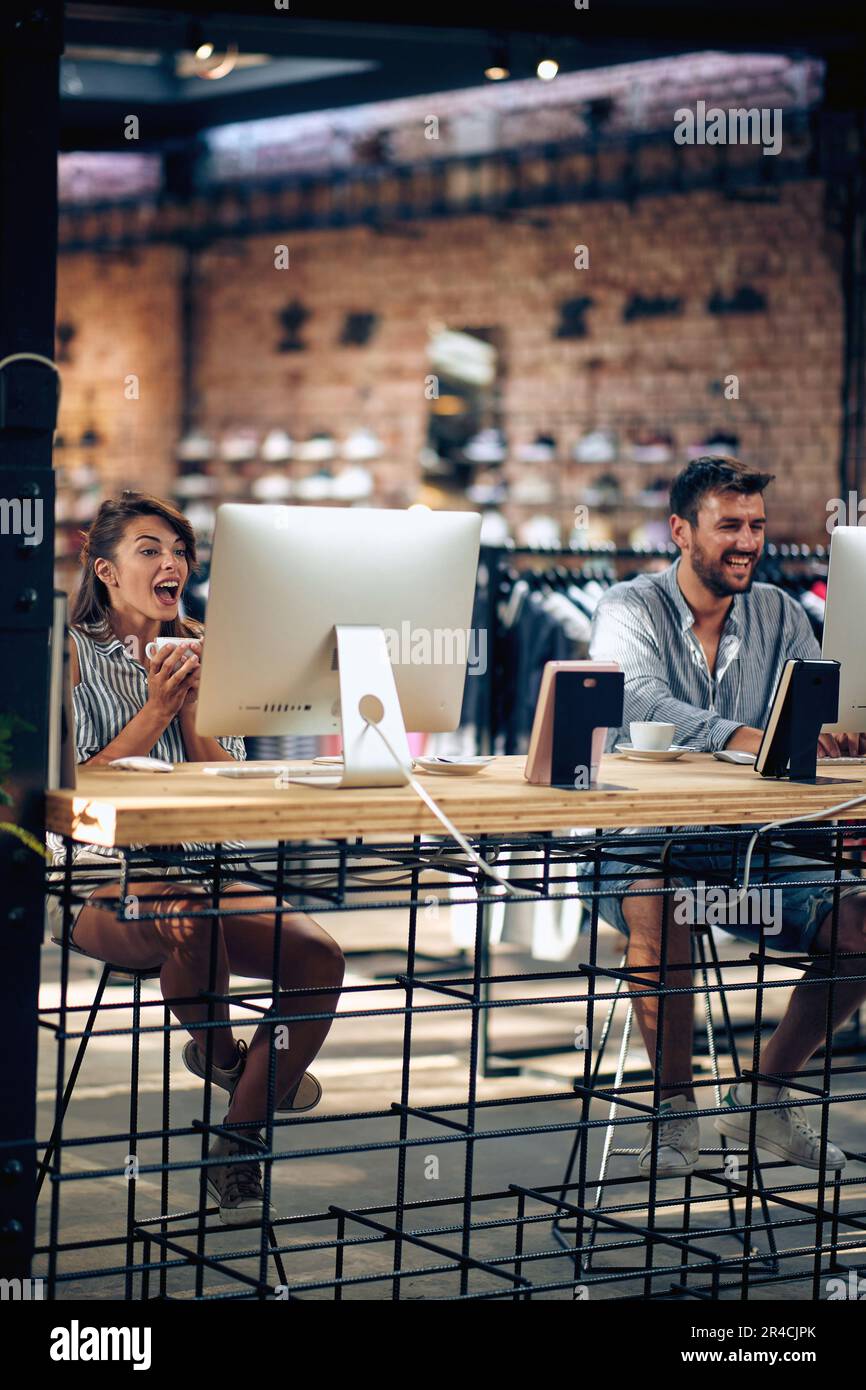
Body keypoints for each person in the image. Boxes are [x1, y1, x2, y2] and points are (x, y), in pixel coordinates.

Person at [48, 491, 345, 1224]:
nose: (172, 562)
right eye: (150, 549)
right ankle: (230, 1062)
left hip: (201, 868)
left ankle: (238, 1143)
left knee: (318, 957)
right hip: (94, 881)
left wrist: (192, 710)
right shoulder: (69, 652)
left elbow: (229, 793)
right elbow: (71, 788)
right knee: (194, 915)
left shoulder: (212, 650)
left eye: (179, 551)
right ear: (107, 570)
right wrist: (153, 711)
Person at [588, 456, 866, 1177]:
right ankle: (676, 1110)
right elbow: (636, 703)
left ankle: (763, 1102)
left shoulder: (780, 613)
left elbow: (819, 706)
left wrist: (833, 729)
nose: (747, 541)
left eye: (758, 526)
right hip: (640, 845)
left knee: (863, 925)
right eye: (729, 525)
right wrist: (747, 735)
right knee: (663, 903)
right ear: (681, 531)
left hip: (747, 848)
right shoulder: (627, 608)